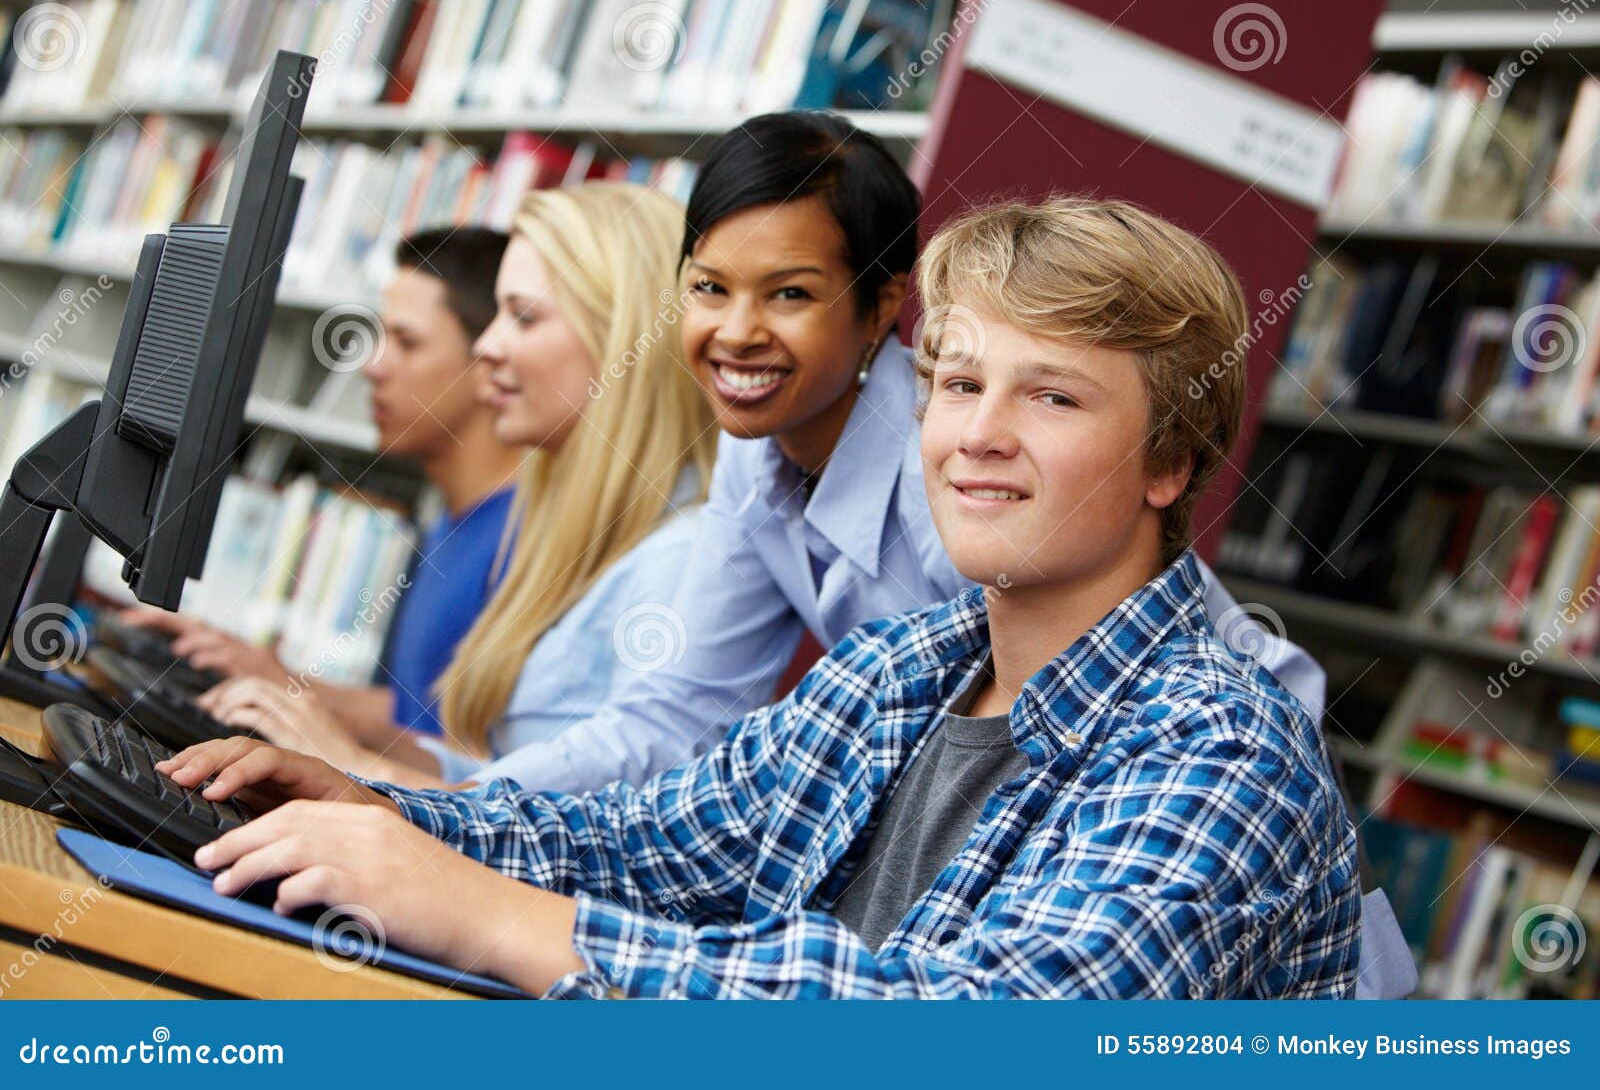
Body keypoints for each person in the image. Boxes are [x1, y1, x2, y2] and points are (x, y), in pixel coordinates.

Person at [160, 197, 1361, 998]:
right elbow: (663, 839)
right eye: (956, 383)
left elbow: (972, 1028)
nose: (976, 436)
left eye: (1052, 398)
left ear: (1167, 462)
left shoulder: (1224, 748)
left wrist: (500, 920)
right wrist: (390, 814)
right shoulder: (906, 666)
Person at [449, 111, 1324, 795]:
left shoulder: (966, 470)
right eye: (709, 289)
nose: (737, 332)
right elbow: (683, 709)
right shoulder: (759, 454)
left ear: (881, 310)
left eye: (789, 293)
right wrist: (451, 807)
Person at [169, 184, 717, 788]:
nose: (489, 346)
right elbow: (497, 775)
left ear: (624, 340)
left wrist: (352, 766)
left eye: (525, 316)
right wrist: (318, 738)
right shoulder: (573, 534)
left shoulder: (677, 563)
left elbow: (593, 839)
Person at [123, 226, 523, 744]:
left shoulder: (524, 545)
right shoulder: (451, 519)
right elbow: (415, 713)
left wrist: (287, 692)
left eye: (406, 342)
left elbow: (472, 766)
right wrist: (262, 672)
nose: (373, 367)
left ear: (489, 359)